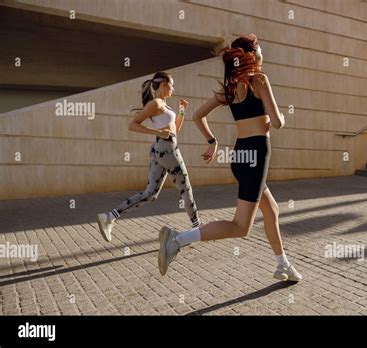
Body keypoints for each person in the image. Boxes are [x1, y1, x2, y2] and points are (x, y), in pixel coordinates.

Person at [158, 34, 302, 282]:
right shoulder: (259, 79)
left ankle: (283, 265)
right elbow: (277, 122)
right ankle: (177, 240)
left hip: (240, 155)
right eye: (261, 51)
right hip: (256, 154)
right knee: (240, 227)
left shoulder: (231, 87)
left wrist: (213, 142)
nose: (263, 55)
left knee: (272, 209)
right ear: (254, 53)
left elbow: (197, 116)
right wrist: (278, 116)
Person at [97, 72, 200, 242]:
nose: (173, 88)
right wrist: (158, 132)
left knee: (150, 193)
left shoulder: (164, 105)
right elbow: (133, 124)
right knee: (186, 188)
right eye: (171, 85)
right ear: (163, 85)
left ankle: (110, 216)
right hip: (168, 149)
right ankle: (198, 228)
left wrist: (182, 111)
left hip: (161, 149)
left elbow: (176, 129)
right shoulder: (156, 103)